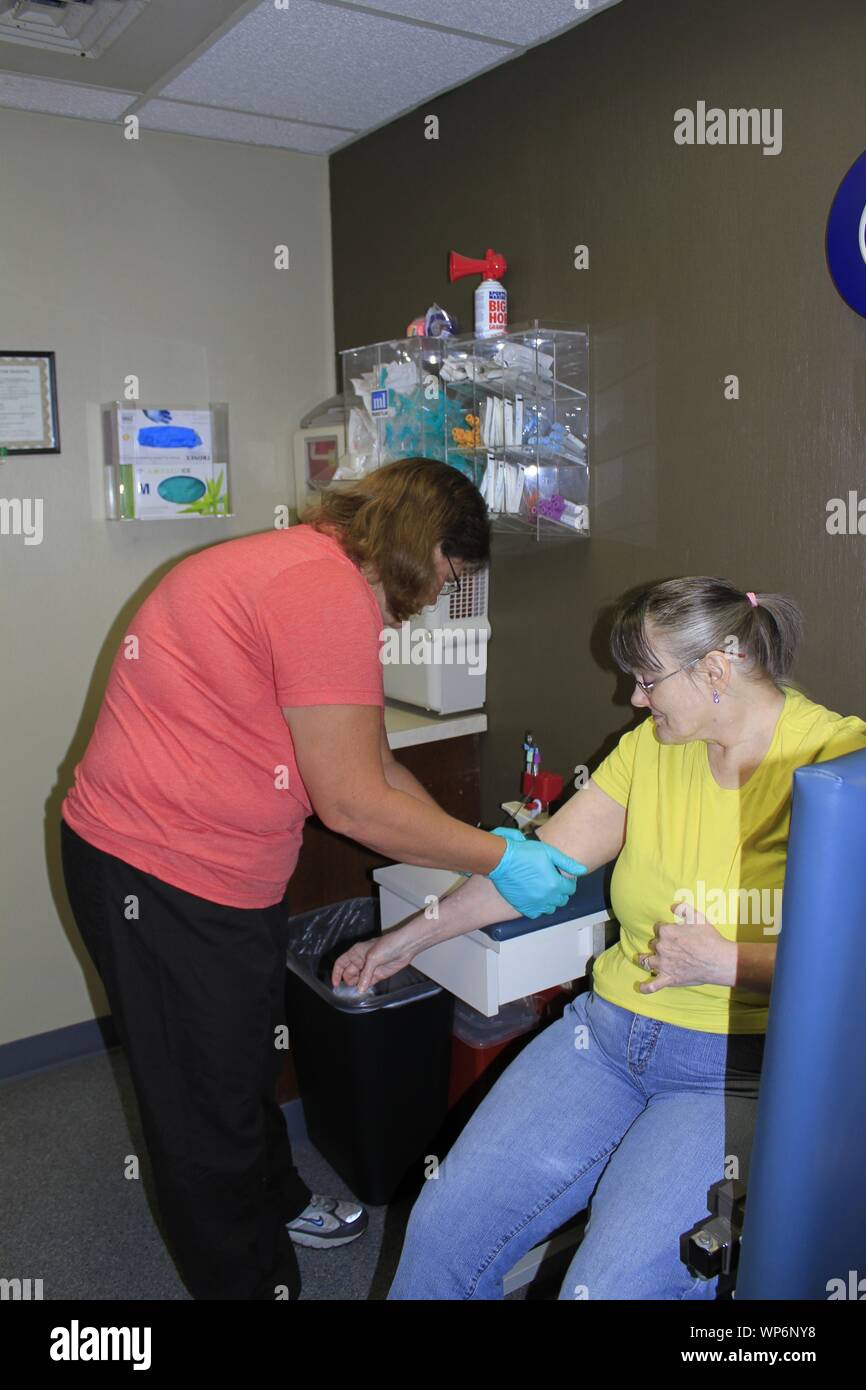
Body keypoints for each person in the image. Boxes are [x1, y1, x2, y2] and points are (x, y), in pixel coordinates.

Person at [59, 457, 583, 1301]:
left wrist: (473, 846)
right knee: (205, 1110)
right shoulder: (322, 590)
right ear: (430, 544)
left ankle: (277, 1198)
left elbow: (372, 764)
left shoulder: (306, 567)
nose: (442, 594)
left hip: (214, 874)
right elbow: (350, 805)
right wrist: (499, 859)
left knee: (236, 1062)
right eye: (454, 573)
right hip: (159, 875)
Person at [333, 576, 866, 1300]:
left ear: (715, 670)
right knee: (443, 1225)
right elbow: (541, 867)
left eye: (648, 680)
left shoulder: (836, 762)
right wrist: (404, 941)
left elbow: (853, 964)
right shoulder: (651, 747)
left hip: (733, 1075)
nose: (636, 700)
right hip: (607, 1039)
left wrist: (728, 960)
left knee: (608, 1287)